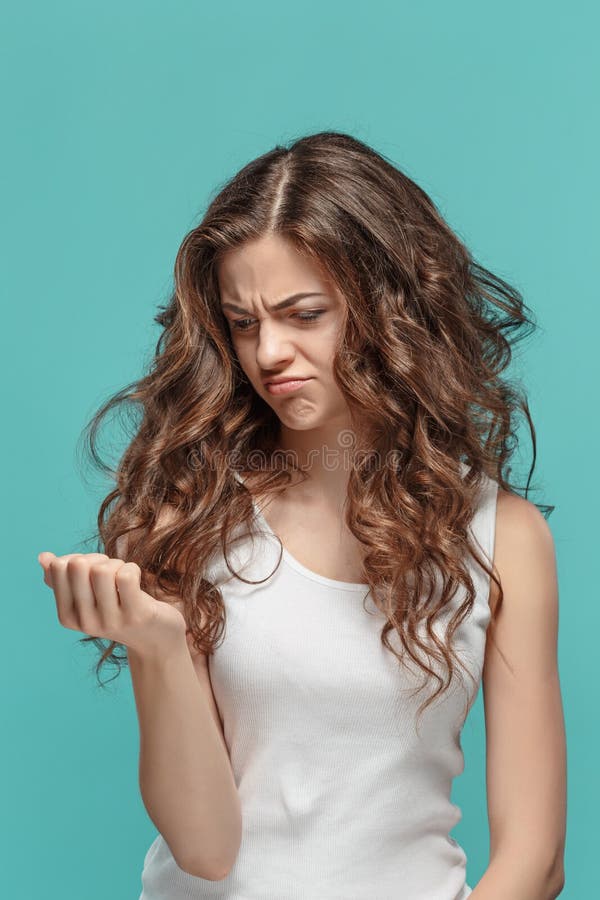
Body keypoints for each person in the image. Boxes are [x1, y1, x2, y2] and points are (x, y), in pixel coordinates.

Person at [37, 130, 567, 898]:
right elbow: (206, 849)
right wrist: (157, 646)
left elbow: (536, 860)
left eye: (304, 313)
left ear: (390, 307)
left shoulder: (503, 539)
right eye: (243, 323)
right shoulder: (196, 513)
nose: (268, 353)